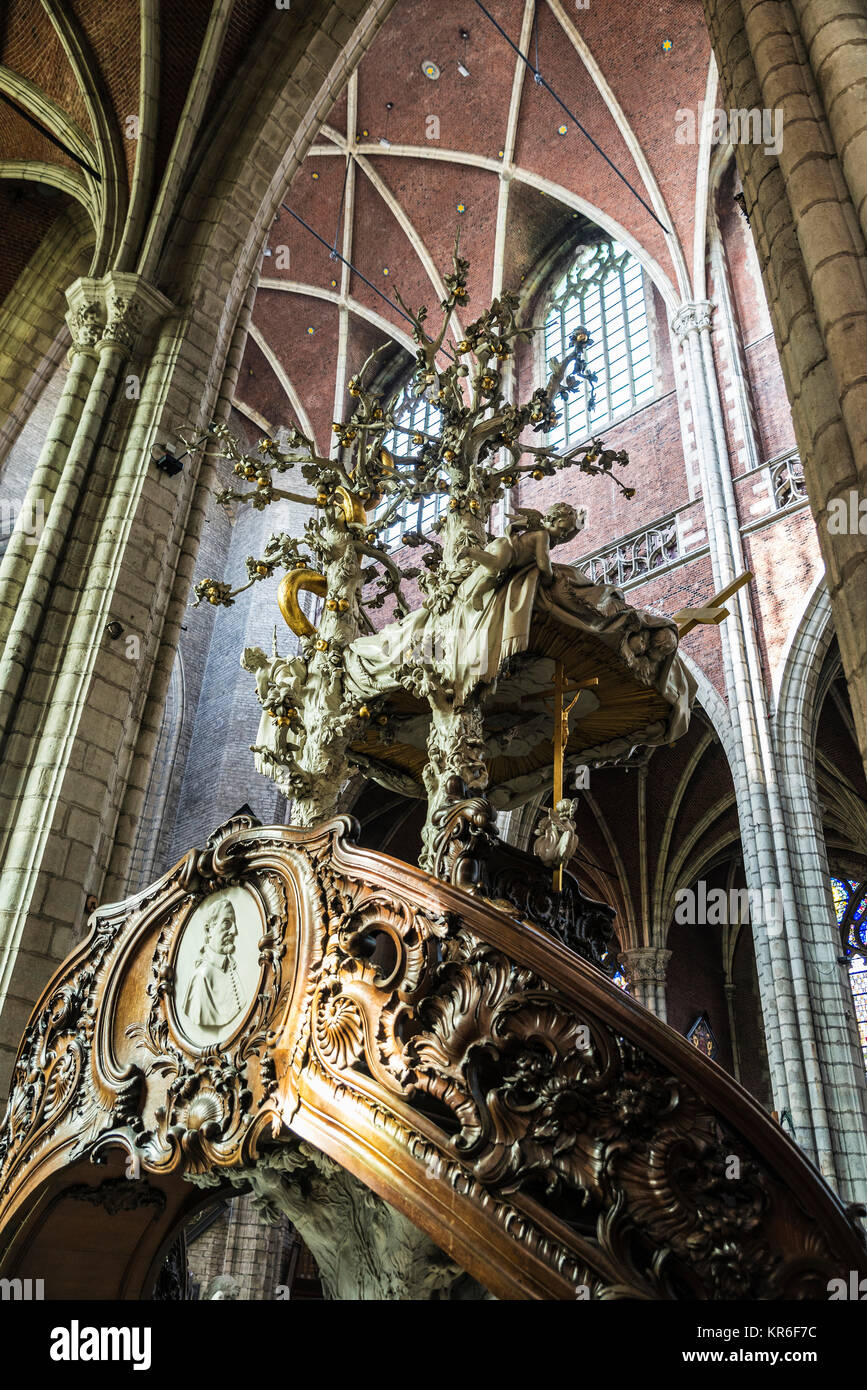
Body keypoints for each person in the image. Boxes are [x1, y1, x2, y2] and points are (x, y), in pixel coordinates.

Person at [182, 900, 245, 1029]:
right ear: (208, 930)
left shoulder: (229, 966)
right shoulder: (202, 977)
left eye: (234, 924)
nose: (234, 931)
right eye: (226, 923)